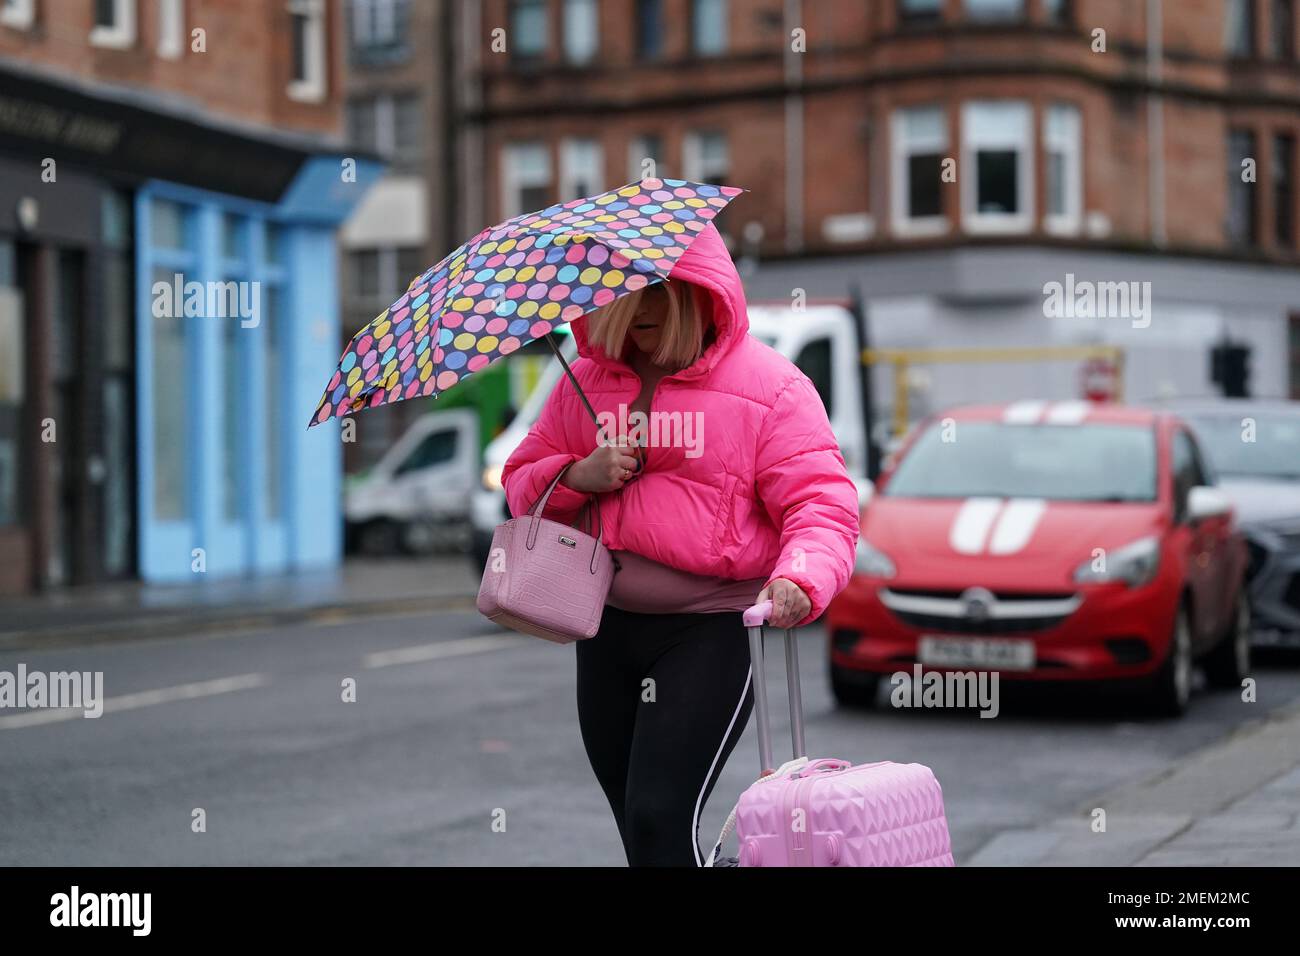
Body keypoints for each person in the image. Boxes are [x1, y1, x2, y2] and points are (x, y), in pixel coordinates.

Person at [500, 220, 859, 866]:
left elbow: (821, 503)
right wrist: (577, 475)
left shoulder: (773, 387)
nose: (638, 307)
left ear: (698, 292)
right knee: (640, 832)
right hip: (604, 630)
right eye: (622, 290)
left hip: (711, 632)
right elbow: (522, 484)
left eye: (657, 289)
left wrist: (801, 576)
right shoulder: (583, 381)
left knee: (657, 818)